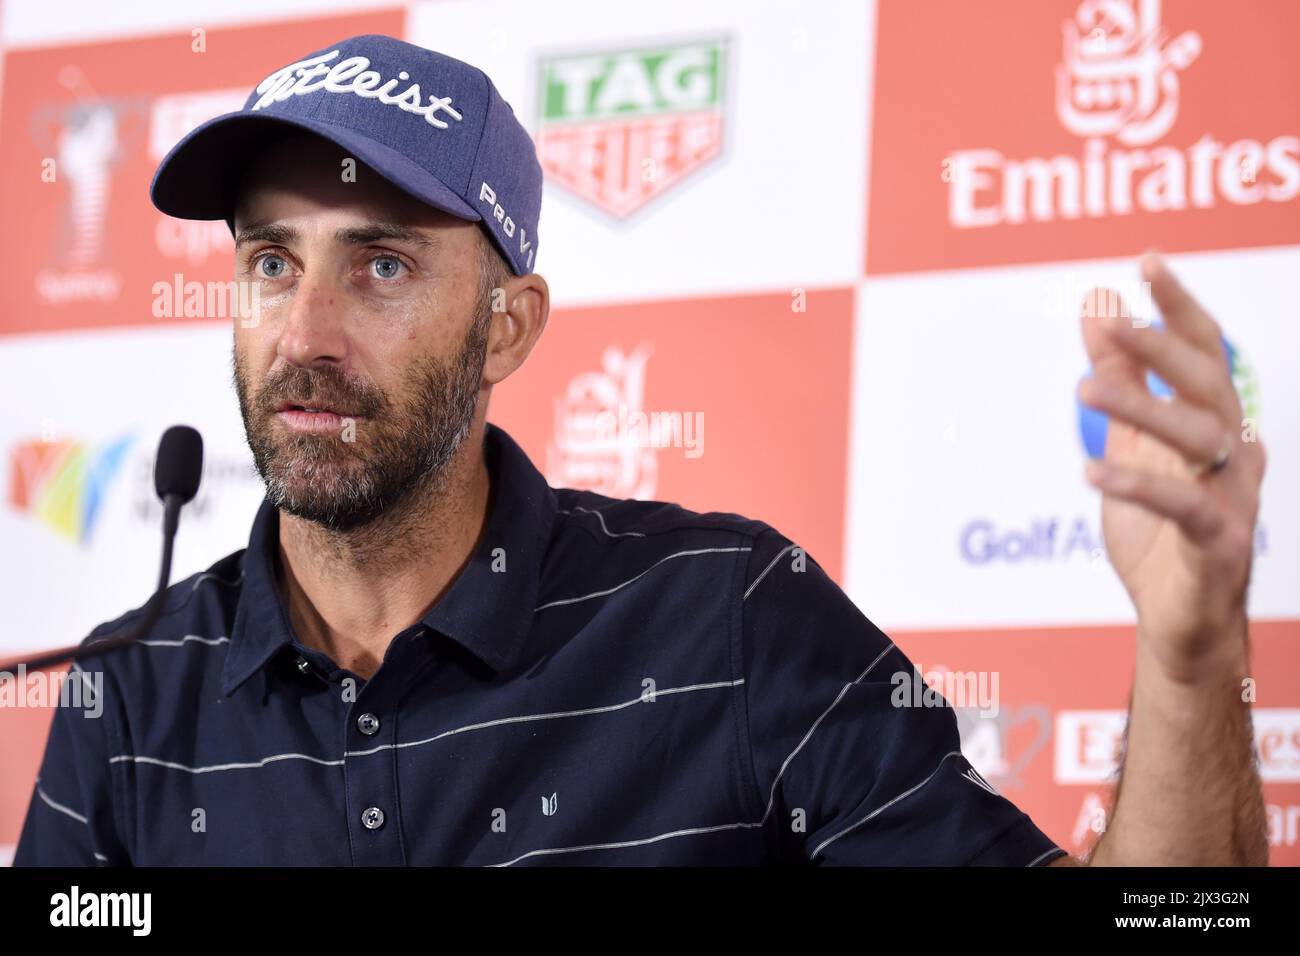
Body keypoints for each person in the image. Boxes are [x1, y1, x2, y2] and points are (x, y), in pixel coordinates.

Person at [14, 34, 1267, 866]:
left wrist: (1190, 655)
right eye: (271, 262)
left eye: (382, 262)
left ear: (508, 325)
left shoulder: (728, 619)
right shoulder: (127, 694)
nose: (307, 333)